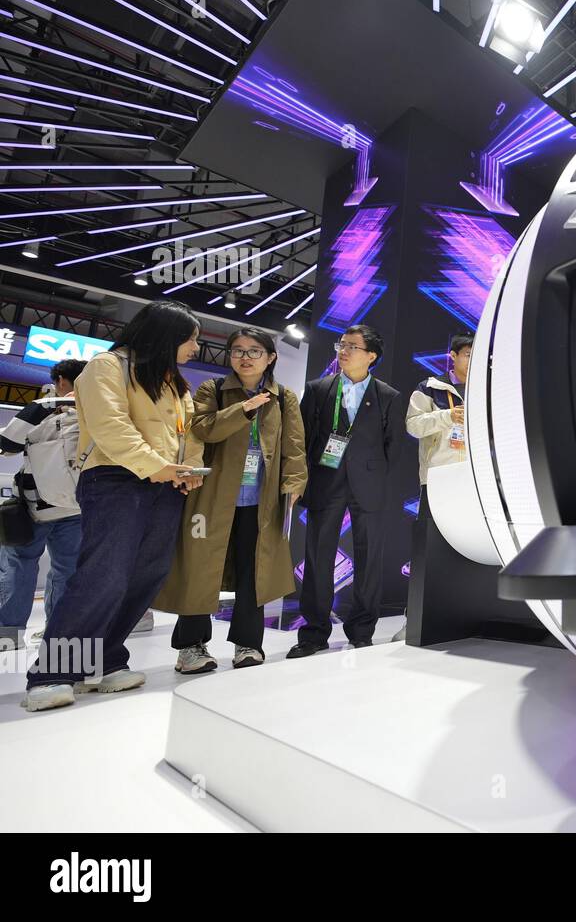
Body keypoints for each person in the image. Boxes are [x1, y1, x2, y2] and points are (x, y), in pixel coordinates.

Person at [23, 300, 204, 712]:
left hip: (165, 484)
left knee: (147, 573)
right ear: (164, 336)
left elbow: (189, 434)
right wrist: (156, 465)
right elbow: (110, 427)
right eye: (190, 339)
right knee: (104, 574)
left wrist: (189, 468)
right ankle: (53, 673)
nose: (195, 347)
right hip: (115, 480)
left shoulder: (174, 381)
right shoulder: (106, 367)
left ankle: (103, 660)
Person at [153, 327, 307, 672]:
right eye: (238, 350)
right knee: (199, 570)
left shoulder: (283, 397)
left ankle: (248, 644)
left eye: (254, 351)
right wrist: (245, 409)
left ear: (271, 358)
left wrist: (294, 483)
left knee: (256, 572)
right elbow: (204, 429)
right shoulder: (215, 389)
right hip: (211, 498)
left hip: (262, 500)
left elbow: (294, 446)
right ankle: (191, 647)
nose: (245, 357)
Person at [290, 324, 399, 657]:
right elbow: (304, 439)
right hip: (326, 481)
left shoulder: (388, 396)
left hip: (369, 486)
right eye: (342, 344)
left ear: (371, 356)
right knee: (318, 558)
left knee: (369, 560)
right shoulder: (319, 388)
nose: (343, 350)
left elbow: (392, 447)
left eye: (353, 346)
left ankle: (362, 630)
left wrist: (380, 481)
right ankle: (313, 633)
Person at [0, 359, 87, 648]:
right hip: (76, 504)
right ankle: (58, 635)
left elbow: (7, 444)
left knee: (20, 565)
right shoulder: (97, 410)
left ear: (61, 379)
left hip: (33, 504)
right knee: (67, 570)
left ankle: (9, 635)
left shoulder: (43, 406)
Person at [395, 332, 473, 642]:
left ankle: (463, 614)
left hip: (473, 481)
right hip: (438, 480)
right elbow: (413, 425)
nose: (473, 360)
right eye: (468, 354)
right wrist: (446, 416)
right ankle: (413, 617)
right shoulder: (429, 387)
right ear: (453, 355)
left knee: (468, 550)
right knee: (428, 550)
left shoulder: (485, 390)